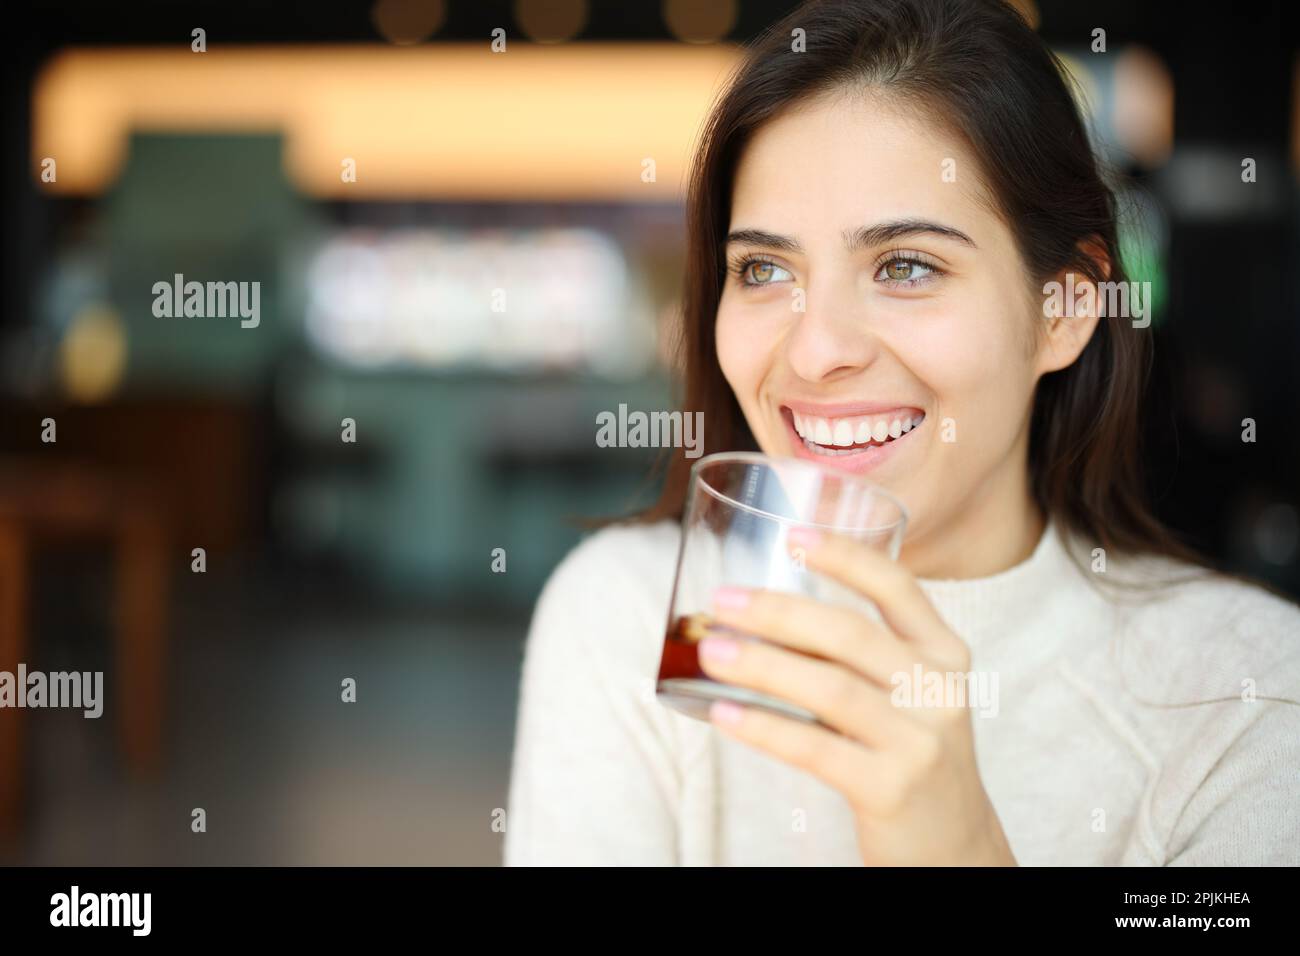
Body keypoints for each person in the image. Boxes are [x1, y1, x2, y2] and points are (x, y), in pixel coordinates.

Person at [504, 0, 1300, 865]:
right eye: (764, 269)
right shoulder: (631, 620)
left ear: (1067, 307)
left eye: (906, 266)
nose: (815, 351)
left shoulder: (1244, 696)